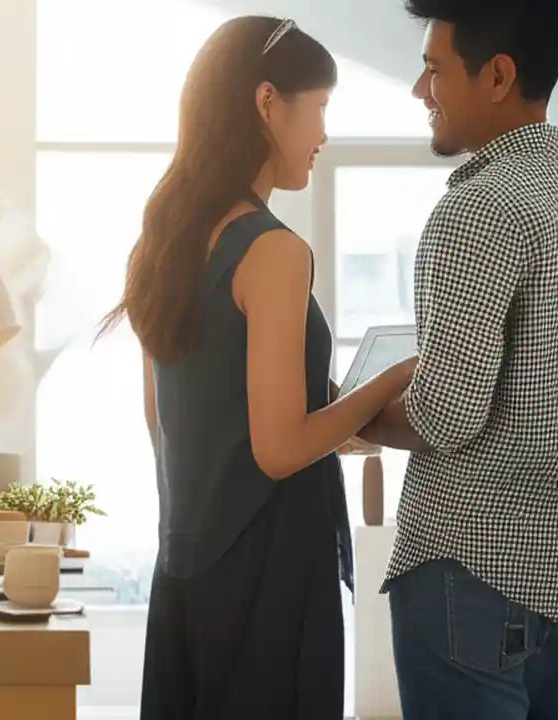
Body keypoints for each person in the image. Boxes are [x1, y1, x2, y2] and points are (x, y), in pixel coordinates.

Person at [98, 16, 415, 719]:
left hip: (186, 564)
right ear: (268, 102)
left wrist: (328, 413)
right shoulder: (272, 251)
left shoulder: (163, 242)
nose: (324, 135)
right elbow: (277, 451)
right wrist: (387, 383)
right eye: (322, 108)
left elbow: (166, 417)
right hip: (270, 575)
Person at [359, 1, 558, 717]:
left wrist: (351, 415)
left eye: (434, 68)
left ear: (498, 75)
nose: (420, 90)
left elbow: (447, 415)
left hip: (468, 574)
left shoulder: (478, 209)